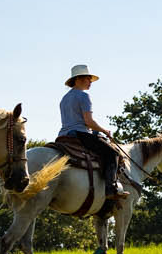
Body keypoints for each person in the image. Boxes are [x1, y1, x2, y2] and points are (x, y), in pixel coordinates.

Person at [56, 64, 131, 201]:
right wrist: (104, 131)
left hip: (63, 136)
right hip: (80, 134)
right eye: (88, 79)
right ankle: (111, 188)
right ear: (78, 79)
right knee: (112, 154)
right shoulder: (84, 96)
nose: (90, 82)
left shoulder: (64, 99)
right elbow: (88, 122)